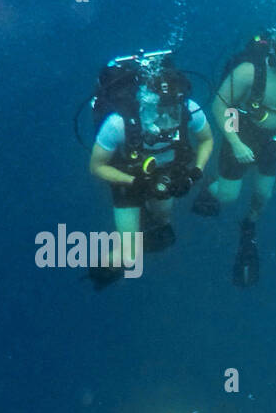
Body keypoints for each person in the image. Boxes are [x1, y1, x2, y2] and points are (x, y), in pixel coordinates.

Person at [191, 27, 276, 286]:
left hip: (271, 142)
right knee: (229, 196)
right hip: (240, 137)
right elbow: (220, 105)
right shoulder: (248, 72)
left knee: (264, 195)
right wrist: (235, 142)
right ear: (272, 45)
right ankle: (210, 186)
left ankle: (249, 226)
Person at [87, 52, 213, 288]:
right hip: (127, 179)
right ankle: (97, 273)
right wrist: (136, 183)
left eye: (172, 110)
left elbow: (207, 140)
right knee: (128, 255)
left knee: (163, 221)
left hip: (167, 172)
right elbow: (97, 166)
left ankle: (144, 220)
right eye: (158, 111)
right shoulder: (119, 123)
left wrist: (196, 171)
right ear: (145, 103)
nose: (166, 120)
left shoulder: (189, 110)